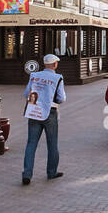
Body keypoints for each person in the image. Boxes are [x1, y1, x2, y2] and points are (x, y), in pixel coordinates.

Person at [22, 54, 66, 184]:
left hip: (34, 111)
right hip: (50, 113)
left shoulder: (34, 76)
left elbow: (26, 93)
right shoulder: (58, 78)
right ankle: (51, 172)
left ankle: (27, 174)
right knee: (52, 144)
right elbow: (61, 98)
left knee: (31, 143)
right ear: (55, 64)